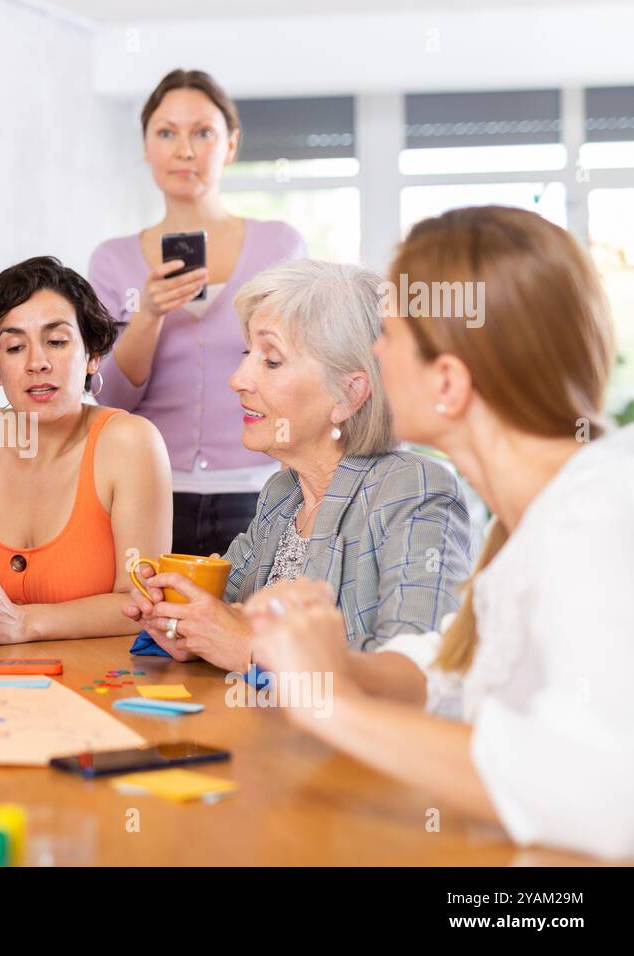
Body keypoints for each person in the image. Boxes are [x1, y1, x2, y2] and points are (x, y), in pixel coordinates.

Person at [248, 206, 634, 860]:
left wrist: (335, 707)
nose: (373, 350)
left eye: (391, 333)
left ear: (448, 381)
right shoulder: (533, 516)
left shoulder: (595, 517)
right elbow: (464, 679)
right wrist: (335, 665)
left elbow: (606, 793)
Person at [125, 260, 472, 671]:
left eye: (271, 361)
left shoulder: (415, 488)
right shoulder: (282, 493)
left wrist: (251, 651)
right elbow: (226, 617)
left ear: (347, 395)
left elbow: (417, 672)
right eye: (247, 353)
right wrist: (183, 620)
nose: (238, 379)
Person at [89, 68, 308, 557]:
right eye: (166, 133)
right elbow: (110, 398)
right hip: (147, 493)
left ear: (230, 145)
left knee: (252, 632)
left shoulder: (281, 246)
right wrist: (148, 314)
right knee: (151, 632)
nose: (184, 149)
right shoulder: (113, 259)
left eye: (202, 132)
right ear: (146, 147)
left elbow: (304, 372)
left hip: (265, 492)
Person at [0, 257, 171, 644]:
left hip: (100, 691)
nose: (37, 363)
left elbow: (142, 605)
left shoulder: (131, 442)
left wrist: (24, 622)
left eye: (56, 342)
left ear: (92, 355)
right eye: (15, 347)